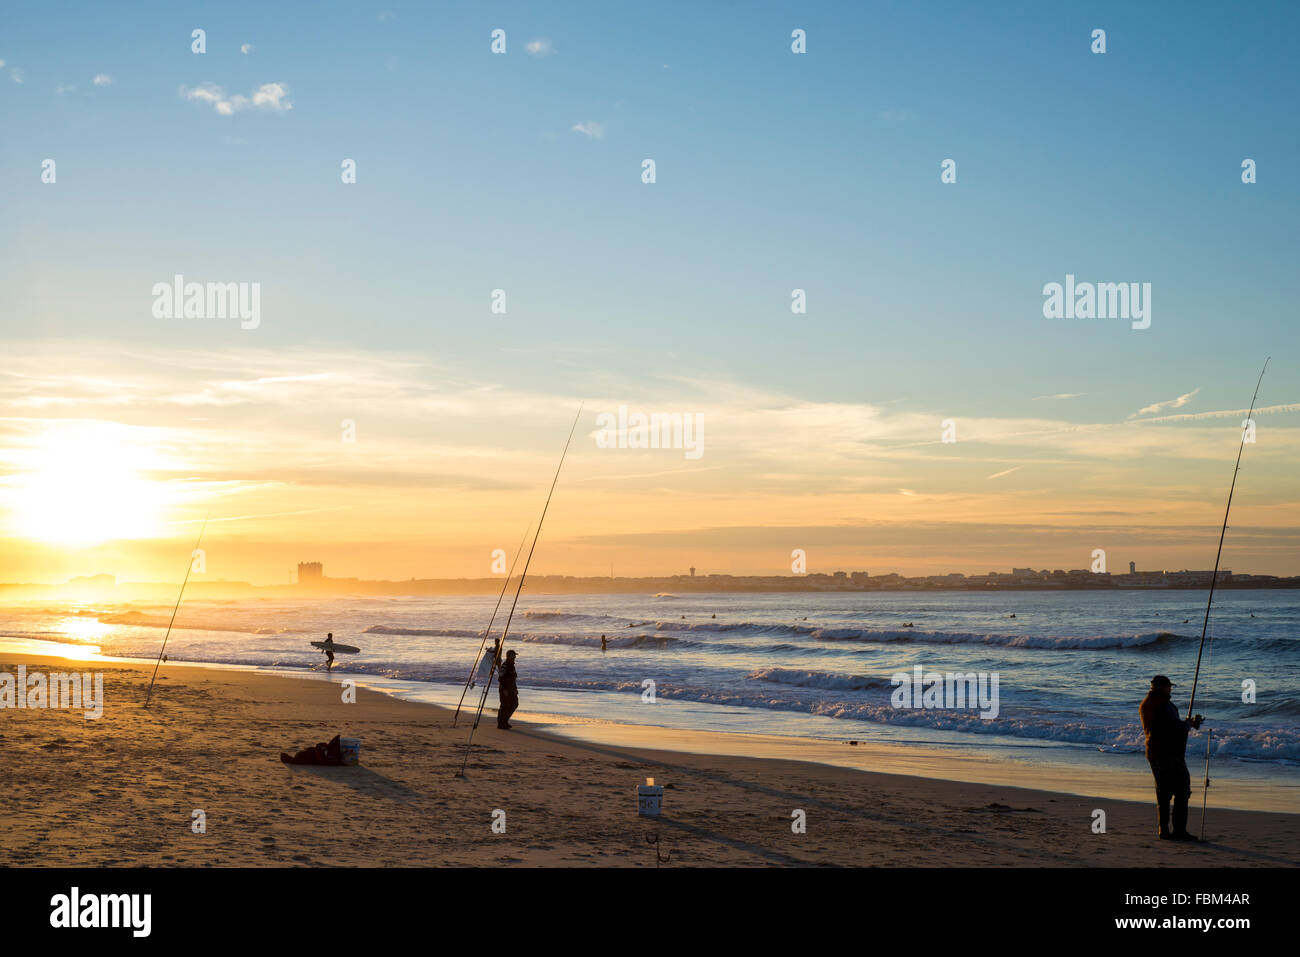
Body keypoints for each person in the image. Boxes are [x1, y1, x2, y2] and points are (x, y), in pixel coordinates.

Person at [1139, 675, 1204, 841]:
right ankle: (1179, 831)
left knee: (1163, 792)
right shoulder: (1162, 706)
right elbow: (1173, 729)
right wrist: (1188, 724)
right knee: (1182, 790)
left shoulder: (1148, 703)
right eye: (1169, 686)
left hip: (1155, 752)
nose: (1171, 689)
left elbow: (1167, 727)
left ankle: (1164, 830)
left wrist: (1186, 724)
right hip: (1169, 754)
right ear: (1161, 687)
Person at [497, 649, 519, 730]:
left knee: (514, 704)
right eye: (514, 655)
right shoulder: (505, 665)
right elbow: (500, 678)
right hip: (505, 690)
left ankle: (505, 721)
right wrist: (504, 689)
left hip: (512, 689)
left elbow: (513, 679)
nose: (515, 657)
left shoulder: (512, 666)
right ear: (509, 656)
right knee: (504, 706)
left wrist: (515, 688)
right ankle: (501, 724)